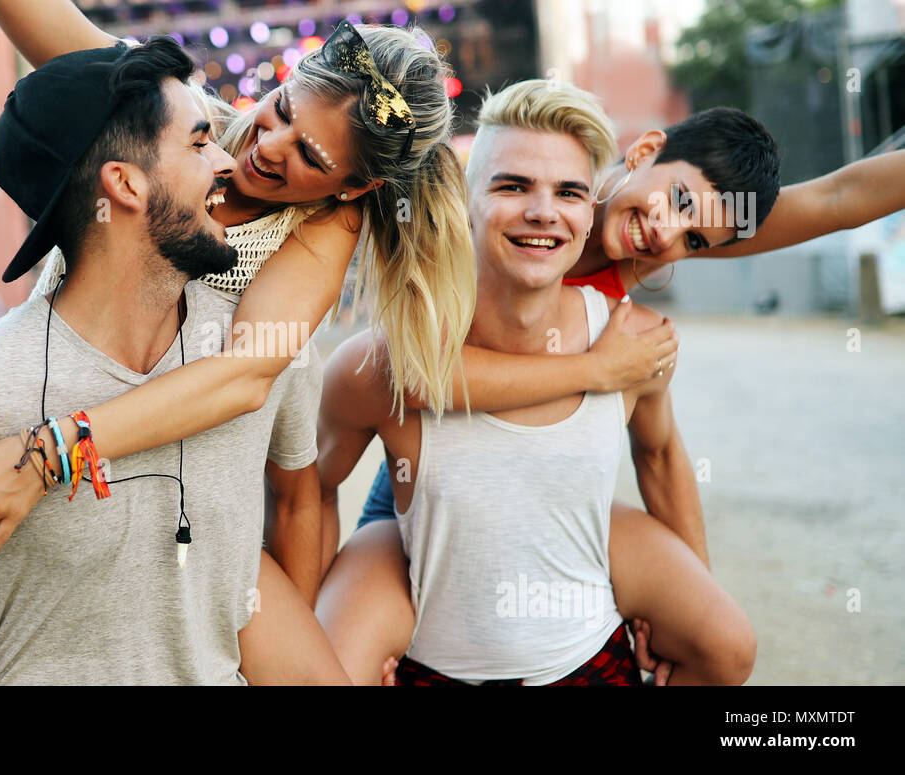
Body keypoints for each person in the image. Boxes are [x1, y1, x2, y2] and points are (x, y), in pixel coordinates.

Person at [0, 38, 346, 685]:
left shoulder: (270, 351)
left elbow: (298, 503)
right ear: (125, 184)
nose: (230, 161)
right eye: (200, 143)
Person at [317, 80, 754, 685]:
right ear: (465, 202)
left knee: (726, 643)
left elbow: (658, 452)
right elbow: (413, 379)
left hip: (560, 509)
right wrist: (593, 371)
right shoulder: (425, 305)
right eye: (513, 185)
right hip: (415, 494)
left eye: (695, 238)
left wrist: (686, 601)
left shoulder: (632, 319)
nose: (667, 232)